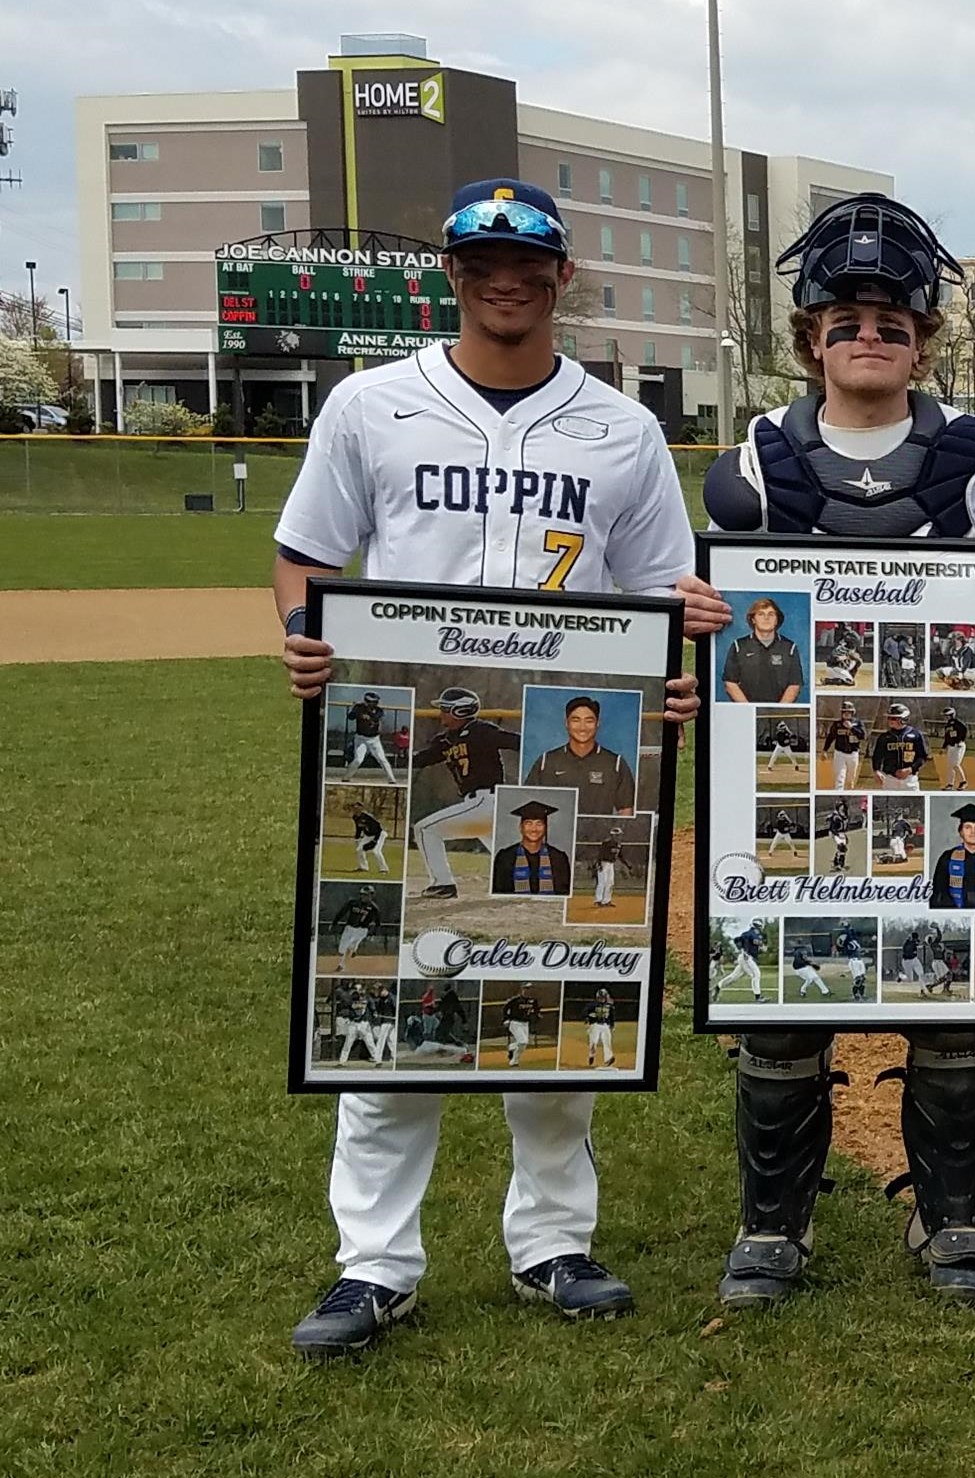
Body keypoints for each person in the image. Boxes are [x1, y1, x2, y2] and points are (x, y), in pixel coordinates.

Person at [269, 177, 700, 1357]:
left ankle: (552, 1242)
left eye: (528, 260)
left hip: (565, 749)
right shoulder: (372, 403)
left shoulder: (622, 427)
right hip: (413, 739)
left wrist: (670, 678)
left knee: (552, 990)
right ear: (451, 276)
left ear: (564, 277)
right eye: (480, 260)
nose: (504, 278)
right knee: (390, 989)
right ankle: (374, 1264)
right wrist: (312, 648)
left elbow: (664, 589)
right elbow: (307, 550)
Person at [680, 189, 975, 1308]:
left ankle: (950, 1216)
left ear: (923, 340)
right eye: (845, 319)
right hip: (790, 770)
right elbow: (717, 620)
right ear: (810, 336)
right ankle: (773, 1225)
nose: (868, 336)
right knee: (785, 999)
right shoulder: (753, 465)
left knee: (950, 987)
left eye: (891, 321)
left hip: (947, 768)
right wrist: (698, 614)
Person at [405, 688, 520, 899]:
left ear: (461, 710)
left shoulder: (481, 730)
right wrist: (400, 756)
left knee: (424, 829)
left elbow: (517, 742)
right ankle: (524, 887)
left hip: (486, 801)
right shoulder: (446, 740)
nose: (441, 713)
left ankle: (443, 884)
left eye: (445, 709)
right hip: (483, 807)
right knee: (509, 859)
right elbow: (421, 759)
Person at [523, 694, 636, 816]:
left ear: (598, 723)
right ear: (566, 723)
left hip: (598, 834)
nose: (582, 727)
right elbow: (528, 801)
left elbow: (626, 811)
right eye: (576, 720)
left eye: (589, 721)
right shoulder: (547, 761)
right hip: (558, 834)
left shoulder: (615, 764)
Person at [721, 599, 803, 703]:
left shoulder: (790, 648)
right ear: (753, 619)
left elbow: (794, 685)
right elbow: (730, 683)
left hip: (778, 714)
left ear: (777, 620)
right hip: (745, 712)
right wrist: (748, 710)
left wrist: (777, 711)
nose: (766, 618)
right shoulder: (738, 646)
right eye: (761, 614)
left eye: (771, 614)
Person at [490, 799, 572, 897]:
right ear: (521, 828)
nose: (534, 829)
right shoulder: (505, 858)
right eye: (528, 823)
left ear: (545, 828)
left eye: (539, 824)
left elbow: (563, 894)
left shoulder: (559, 859)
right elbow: (499, 894)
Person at [344, 692, 400, 782]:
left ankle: (392, 779)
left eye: (375, 702)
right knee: (358, 760)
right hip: (360, 738)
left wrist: (368, 716)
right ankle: (346, 778)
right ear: (366, 701)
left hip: (374, 740)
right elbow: (350, 717)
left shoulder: (379, 711)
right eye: (370, 702)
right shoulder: (359, 708)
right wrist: (355, 710)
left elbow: (375, 719)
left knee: (382, 759)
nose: (373, 704)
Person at [873, 703, 930, 790]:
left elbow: (922, 756)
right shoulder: (884, 737)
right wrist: (876, 770)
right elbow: (877, 756)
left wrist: (911, 769)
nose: (890, 720)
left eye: (894, 718)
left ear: (903, 718)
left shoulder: (915, 735)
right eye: (889, 718)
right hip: (890, 779)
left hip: (910, 779)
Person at [329, 891, 381, 973]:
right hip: (349, 928)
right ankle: (354, 949)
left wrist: (374, 933)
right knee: (341, 950)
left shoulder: (374, 908)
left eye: (368, 895)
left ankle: (341, 965)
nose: (366, 897)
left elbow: (378, 922)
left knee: (349, 946)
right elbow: (342, 912)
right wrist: (334, 923)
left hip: (362, 930)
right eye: (364, 895)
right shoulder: (353, 903)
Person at [716, 922, 768, 1002]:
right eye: (759, 927)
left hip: (746, 957)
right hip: (746, 957)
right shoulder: (748, 934)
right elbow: (737, 940)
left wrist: (761, 948)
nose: (760, 928)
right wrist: (743, 951)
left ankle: (718, 986)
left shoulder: (756, 936)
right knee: (756, 974)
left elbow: (756, 946)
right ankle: (758, 997)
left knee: (734, 977)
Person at [822, 701, 868, 790]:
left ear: (852, 713)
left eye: (849, 712)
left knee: (850, 779)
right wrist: (825, 750)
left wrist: (852, 728)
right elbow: (830, 737)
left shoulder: (858, 723)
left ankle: (849, 792)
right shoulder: (837, 724)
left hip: (853, 754)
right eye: (844, 712)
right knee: (839, 779)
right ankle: (838, 795)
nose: (846, 714)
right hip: (840, 753)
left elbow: (863, 736)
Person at [498, 990, 542, 1068]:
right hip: (515, 1022)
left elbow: (536, 1009)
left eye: (529, 989)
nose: (528, 991)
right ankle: (514, 1061)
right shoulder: (515, 1000)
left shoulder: (533, 1000)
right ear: (522, 990)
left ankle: (511, 1047)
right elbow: (505, 1008)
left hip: (525, 1024)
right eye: (526, 989)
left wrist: (538, 1015)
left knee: (524, 1043)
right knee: (523, 1041)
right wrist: (505, 1019)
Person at [589, 826, 627, 908]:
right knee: (602, 882)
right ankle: (598, 900)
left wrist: (627, 865)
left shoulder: (619, 845)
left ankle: (607, 900)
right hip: (603, 863)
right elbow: (600, 854)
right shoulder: (606, 843)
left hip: (611, 864)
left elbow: (620, 856)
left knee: (610, 882)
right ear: (613, 836)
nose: (619, 837)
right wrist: (599, 864)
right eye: (617, 835)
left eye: (619, 835)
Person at [583, 988, 617, 1070]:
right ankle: (592, 1055)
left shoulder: (609, 1006)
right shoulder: (592, 1005)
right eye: (601, 997)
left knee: (607, 1042)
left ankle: (608, 1058)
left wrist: (612, 1024)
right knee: (594, 1042)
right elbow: (585, 1012)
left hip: (605, 1025)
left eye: (604, 997)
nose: (603, 999)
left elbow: (612, 1016)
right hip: (595, 1025)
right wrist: (588, 1018)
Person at [351, 806, 390, 875]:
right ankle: (363, 867)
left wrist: (375, 841)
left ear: (361, 809)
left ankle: (384, 869)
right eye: (354, 809)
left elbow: (379, 827)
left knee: (376, 851)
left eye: (357, 809)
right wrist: (357, 838)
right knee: (359, 849)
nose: (355, 810)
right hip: (369, 835)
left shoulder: (368, 817)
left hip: (380, 834)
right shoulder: (355, 817)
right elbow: (359, 828)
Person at [940, 708, 970, 790]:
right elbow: (947, 738)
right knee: (950, 766)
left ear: (951, 715)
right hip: (951, 746)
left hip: (958, 745)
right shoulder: (947, 725)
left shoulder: (958, 723)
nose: (945, 718)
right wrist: (943, 747)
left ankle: (963, 782)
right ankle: (950, 784)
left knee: (956, 764)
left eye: (946, 716)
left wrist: (961, 740)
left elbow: (965, 729)